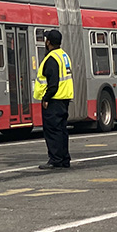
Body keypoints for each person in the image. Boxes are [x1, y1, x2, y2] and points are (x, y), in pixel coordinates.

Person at [34, 29, 74, 170]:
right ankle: (64, 159)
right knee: (62, 130)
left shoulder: (51, 59)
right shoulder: (64, 56)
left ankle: (56, 159)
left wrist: (46, 98)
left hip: (54, 100)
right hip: (64, 98)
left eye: (46, 39)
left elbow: (53, 83)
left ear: (49, 42)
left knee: (52, 130)